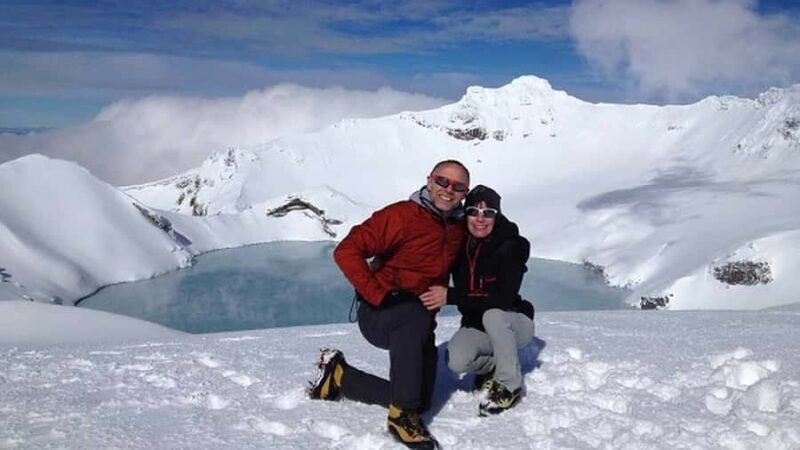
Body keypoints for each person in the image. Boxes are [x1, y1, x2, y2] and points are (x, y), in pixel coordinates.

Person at [307, 160, 470, 449]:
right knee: (408, 398)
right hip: (380, 314)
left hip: (419, 324)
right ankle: (400, 418)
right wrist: (379, 295)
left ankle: (340, 375)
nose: (448, 190)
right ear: (429, 180)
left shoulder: (457, 227)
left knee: (421, 400)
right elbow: (347, 251)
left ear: (464, 193)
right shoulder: (402, 216)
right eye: (443, 181)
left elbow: (486, 237)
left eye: (458, 187)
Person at [420, 184, 535, 416]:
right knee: (456, 360)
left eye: (488, 213)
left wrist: (449, 295)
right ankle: (496, 366)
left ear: (497, 215)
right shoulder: (460, 244)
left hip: (513, 321)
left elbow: (502, 298)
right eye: (474, 211)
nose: (480, 219)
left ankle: (509, 384)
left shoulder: (512, 245)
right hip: (478, 323)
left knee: (493, 314)